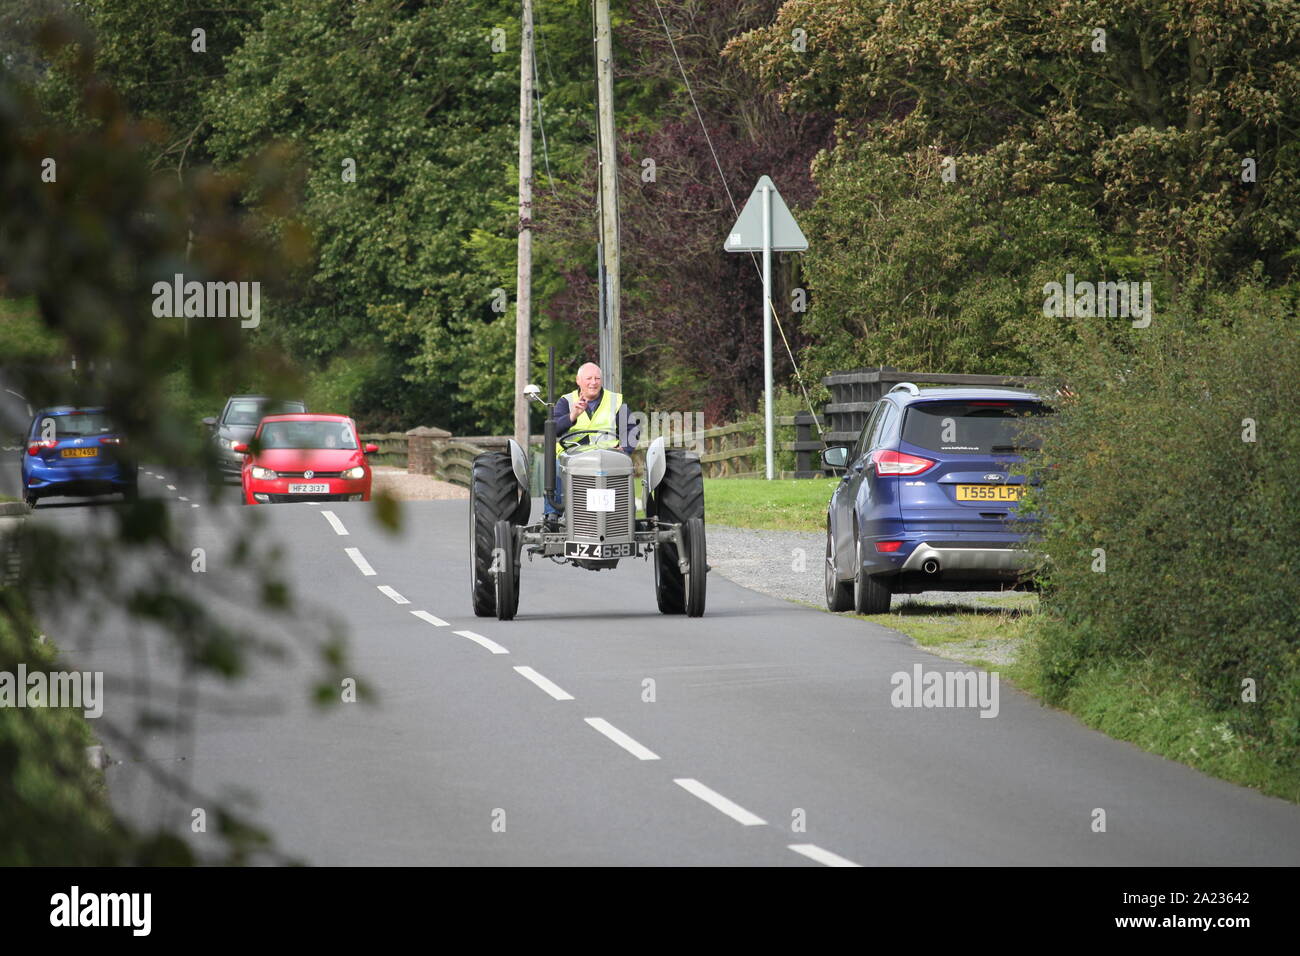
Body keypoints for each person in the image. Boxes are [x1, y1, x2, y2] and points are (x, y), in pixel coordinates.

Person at [544, 362, 639, 520]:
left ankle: (626, 515)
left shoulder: (615, 401)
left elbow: (631, 429)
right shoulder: (566, 401)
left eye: (597, 378)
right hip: (572, 455)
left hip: (608, 455)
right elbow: (553, 429)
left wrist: (625, 449)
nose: (593, 382)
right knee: (554, 465)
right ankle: (552, 513)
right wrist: (572, 415)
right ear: (578, 380)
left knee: (624, 466)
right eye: (589, 378)